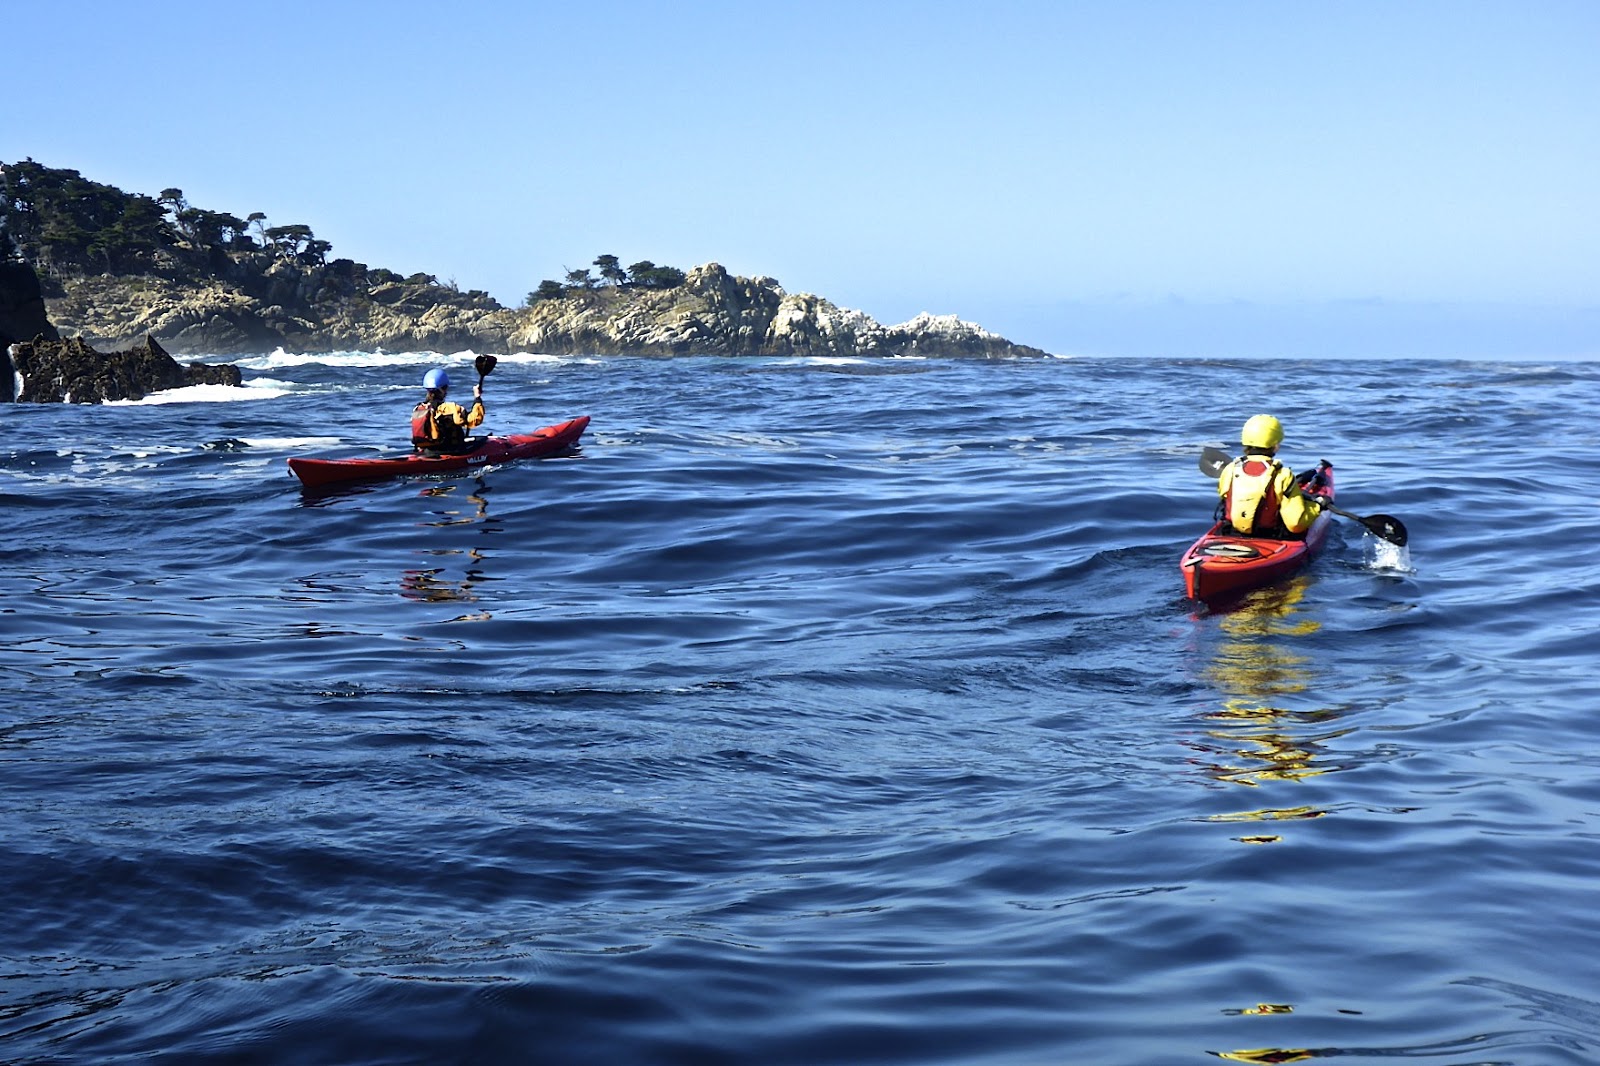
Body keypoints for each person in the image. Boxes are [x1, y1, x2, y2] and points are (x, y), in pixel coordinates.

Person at [1216, 414, 1323, 537]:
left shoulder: (1230, 469)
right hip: (1269, 537)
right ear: (1276, 445)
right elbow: (1296, 524)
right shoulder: (1282, 475)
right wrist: (1317, 506)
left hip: (1231, 534)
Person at [411, 367, 484, 452]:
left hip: (426, 451)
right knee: (483, 442)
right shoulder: (449, 408)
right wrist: (477, 398)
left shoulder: (418, 409)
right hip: (450, 451)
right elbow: (474, 420)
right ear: (443, 389)